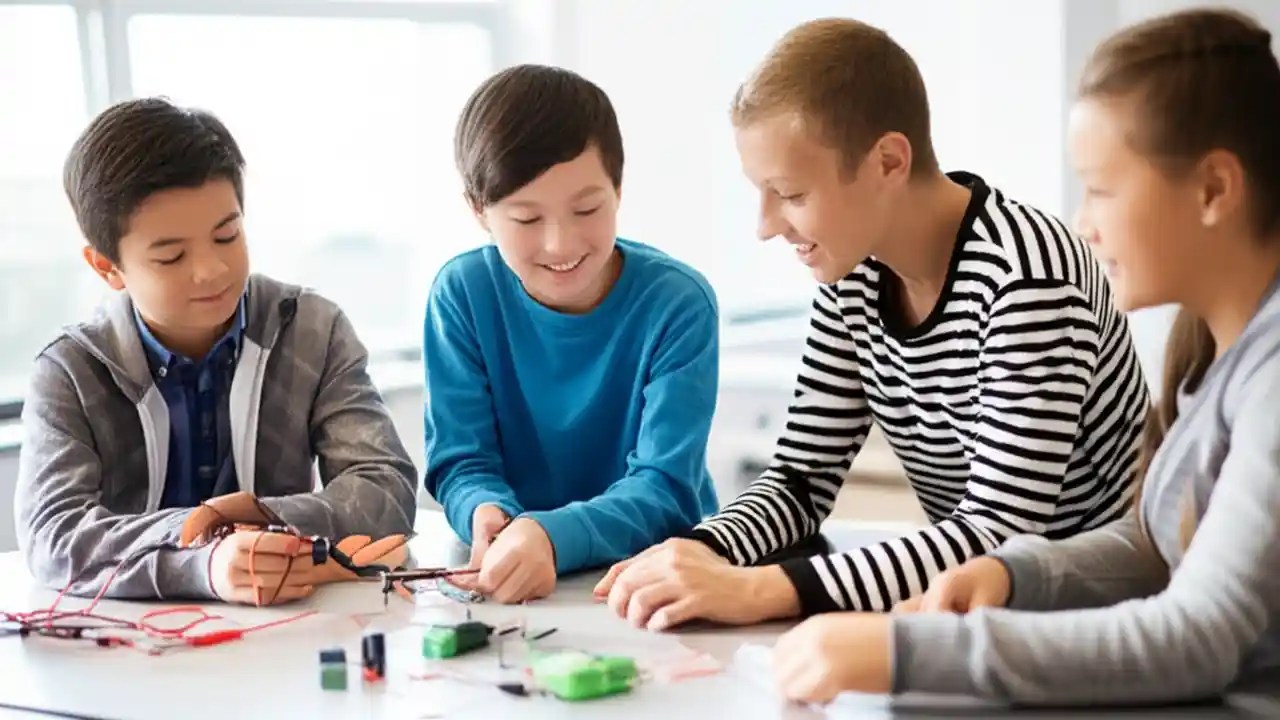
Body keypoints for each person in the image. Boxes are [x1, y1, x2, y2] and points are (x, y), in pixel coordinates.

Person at [767, 8, 1280, 707]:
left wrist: (904, 650)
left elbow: (1197, 635)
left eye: (1102, 188)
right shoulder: (1215, 359)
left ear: (1214, 189)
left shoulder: (1272, 382)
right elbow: (1156, 547)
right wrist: (1015, 575)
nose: (1083, 222)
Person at [596, 18, 1150, 631]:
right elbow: (800, 483)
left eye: (791, 194)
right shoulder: (852, 272)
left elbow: (1001, 534)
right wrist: (702, 552)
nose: (765, 225)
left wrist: (759, 590)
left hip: (1095, 618)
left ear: (888, 161)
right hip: (972, 611)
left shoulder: (1027, 277)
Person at [16, 98, 417, 603]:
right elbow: (54, 536)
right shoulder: (70, 370)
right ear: (106, 267)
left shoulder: (313, 329)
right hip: (128, 645)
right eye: (172, 256)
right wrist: (203, 562)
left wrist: (260, 519)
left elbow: (385, 489)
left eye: (227, 236)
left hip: (285, 631)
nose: (211, 270)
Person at [424, 65, 720, 604]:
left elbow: (666, 488)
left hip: (652, 581)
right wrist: (486, 512)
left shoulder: (678, 304)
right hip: (516, 580)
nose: (560, 244)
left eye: (586, 209)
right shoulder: (462, 294)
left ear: (619, 190)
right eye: (526, 219)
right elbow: (462, 459)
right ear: (478, 211)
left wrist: (549, 536)